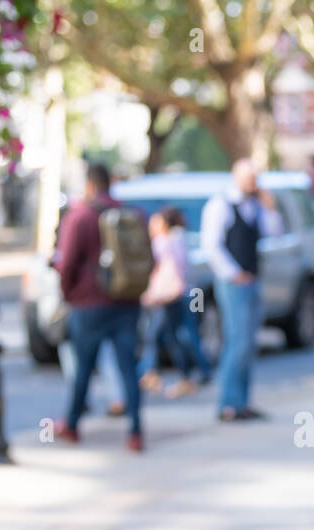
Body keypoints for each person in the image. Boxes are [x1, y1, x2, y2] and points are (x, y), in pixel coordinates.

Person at [53, 161, 146, 451]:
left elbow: (66, 263)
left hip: (89, 302)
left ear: (90, 184)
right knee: (128, 367)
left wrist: (68, 294)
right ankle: (135, 431)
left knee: (83, 367)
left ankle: (72, 424)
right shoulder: (132, 214)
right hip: (127, 300)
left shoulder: (79, 216)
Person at [200, 158, 282, 422]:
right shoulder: (221, 204)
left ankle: (242, 401)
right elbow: (211, 246)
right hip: (234, 283)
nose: (252, 184)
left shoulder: (256, 206)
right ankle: (228, 402)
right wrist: (234, 274)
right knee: (237, 342)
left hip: (254, 280)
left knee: (248, 343)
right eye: (248, 179)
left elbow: (273, 234)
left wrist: (270, 208)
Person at [138, 206, 210, 399]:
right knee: (185, 334)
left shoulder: (163, 242)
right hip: (190, 293)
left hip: (169, 294)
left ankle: (151, 372)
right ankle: (200, 371)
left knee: (160, 335)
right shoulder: (181, 239)